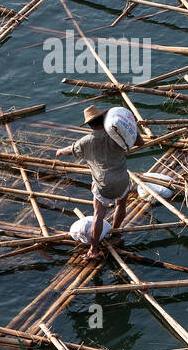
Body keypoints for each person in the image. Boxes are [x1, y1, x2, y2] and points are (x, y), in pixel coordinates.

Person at [55, 105, 131, 262]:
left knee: (98, 215)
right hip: (122, 179)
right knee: (121, 205)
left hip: (104, 184)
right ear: (104, 119)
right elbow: (136, 140)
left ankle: (93, 250)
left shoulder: (86, 141)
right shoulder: (117, 134)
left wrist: (61, 151)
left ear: (89, 125)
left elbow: (72, 149)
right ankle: (115, 231)